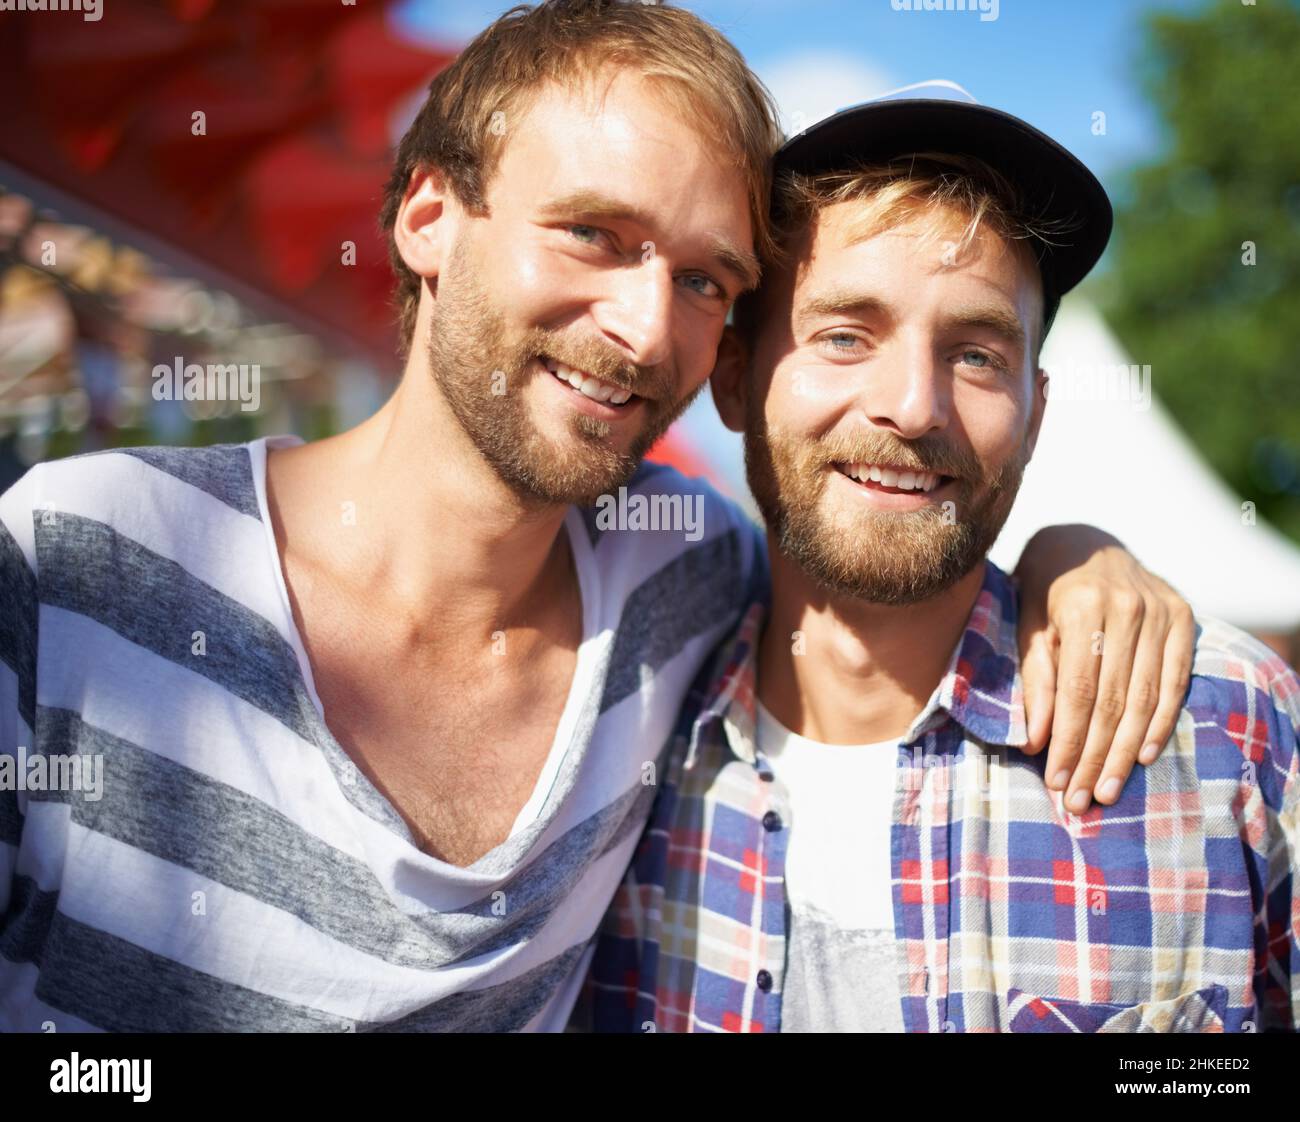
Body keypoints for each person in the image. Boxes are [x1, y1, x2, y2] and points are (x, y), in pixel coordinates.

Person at [1, 4, 1189, 1033]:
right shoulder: (76, 560)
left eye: (701, 280)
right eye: (592, 235)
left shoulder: (682, 581)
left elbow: (877, 566)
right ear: (427, 215)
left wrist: (1071, 558)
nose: (643, 328)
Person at [583, 85, 1299, 1034]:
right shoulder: (620, 746)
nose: (914, 407)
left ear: (1036, 414)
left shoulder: (1223, 735)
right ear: (735, 377)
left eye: (976, 355)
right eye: (844, 336)